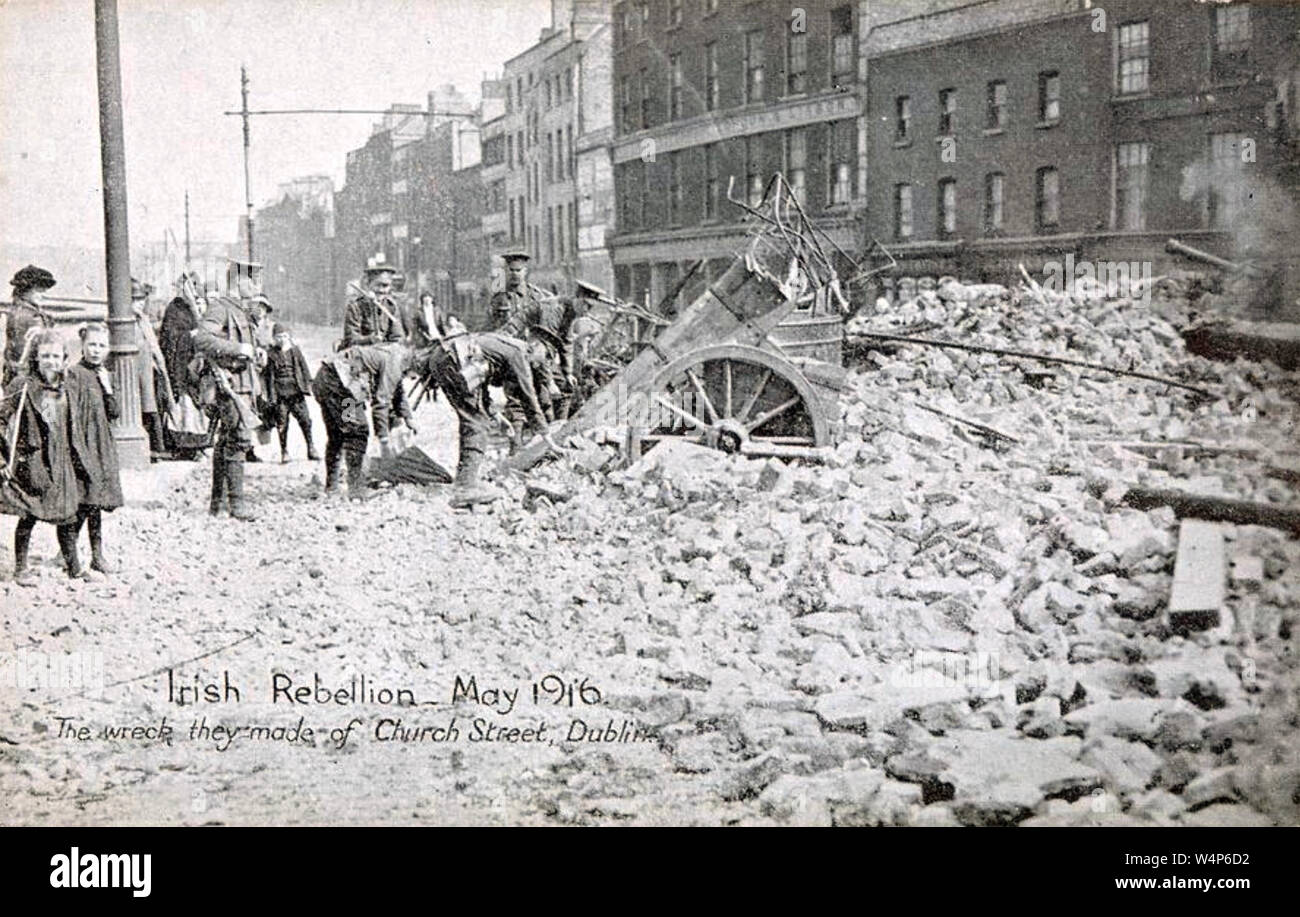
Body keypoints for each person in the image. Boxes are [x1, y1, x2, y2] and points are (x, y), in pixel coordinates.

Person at [414, 320, 556, 508]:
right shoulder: (518, 354)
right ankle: (466, 486)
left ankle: (465, 479)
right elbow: (528, 397)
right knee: (476, 423)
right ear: (536, 345)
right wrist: (548, 437)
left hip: (444, 359)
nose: (542, 364)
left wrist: (497, 416)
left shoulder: (504, 345)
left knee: (473, 418)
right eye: (546, 357)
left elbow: (480, 387)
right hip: (454, 361)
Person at [0, 332, 90, 582]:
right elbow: (0, 420)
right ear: (35, 358)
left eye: (55, 356)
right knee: (29, 514)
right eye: (45, 356)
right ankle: (20, 568)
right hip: (34, 461)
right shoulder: (22, 385)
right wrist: (3, 459)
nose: (50, 361)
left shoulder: (67, 386)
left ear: (64, 359)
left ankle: (74, 568)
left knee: (68, 516)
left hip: (62, 460)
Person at [192, 259, 265, 521]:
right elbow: (202, 338)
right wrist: (240, 349)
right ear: (239, 281)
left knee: (227, 441)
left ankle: (218, 504)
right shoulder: (221, 307)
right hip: (228, 383)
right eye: (253, 281)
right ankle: (237, 505)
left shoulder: (241, 309)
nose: (256, 287)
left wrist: (257, 351)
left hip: (243, 381)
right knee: (240, 440)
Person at [312, 342, 413, 498]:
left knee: (338, 435)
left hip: (325, 378)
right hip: (340, 388)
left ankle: (332, 487)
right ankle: (356, 489)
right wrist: (384, 439)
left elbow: (397, 390)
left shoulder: (395, 354)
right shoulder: (395, 361)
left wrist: (408, 417)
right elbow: (381, 402)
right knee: (357, 431)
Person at [66, 322, 123, 573]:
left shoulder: (103, 375)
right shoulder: (75, 374)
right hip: (83, 444)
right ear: (83, 345)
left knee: (95, 500)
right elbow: (73, 414)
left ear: (108, 349)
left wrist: (108, 387)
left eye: (101, 346)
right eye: (92, 344)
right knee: (85, 500)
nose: (96, 350)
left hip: (101, 445)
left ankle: (96, 555)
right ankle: (70, 551)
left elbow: (114, 413)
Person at [158, 273, 211, 459]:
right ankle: (185, 446)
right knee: (185, 408)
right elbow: (170, 337)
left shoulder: (198, 308)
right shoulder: (175, 309)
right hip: (182, 366)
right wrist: (189, 336)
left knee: (199, 408)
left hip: (198, 366)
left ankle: (200, 443)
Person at [263, 323, 318, 463]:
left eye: (284, 336)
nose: (282, 339)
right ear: (274, 338)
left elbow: (304, 369)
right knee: (282, 423)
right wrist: (270, 396)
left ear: (289, 337)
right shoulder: (272, 354)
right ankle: (284, 451)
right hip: (280, 394)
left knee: (305, 420)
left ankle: (311, 448)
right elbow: (268, 376)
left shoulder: (295, 351)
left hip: (296, 392)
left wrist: (309, 385)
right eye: (278, 336)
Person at [132, 279, 172, 461]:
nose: (139, 303)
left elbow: (153, 345)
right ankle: (152, 449)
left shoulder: (143, 320)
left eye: (141, 299)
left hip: (151, 370)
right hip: (137, 374)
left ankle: (158, 447)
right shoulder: (131, 322)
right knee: (145, 409)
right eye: (135, 300)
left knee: (155, 406)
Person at [3, 265, 56, 385]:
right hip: (27, 379)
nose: (43, 294)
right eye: (39, 290)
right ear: (25, 291)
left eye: (44, 290)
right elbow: (22, 355)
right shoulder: (26, 317)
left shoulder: (27, 312)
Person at [342, 265, 404, 347]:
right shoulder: (355, 307)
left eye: (385, 286)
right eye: (377, 285)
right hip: (362, 354)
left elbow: (398, 337)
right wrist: (370, 339)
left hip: (385, 354)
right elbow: (351, 340)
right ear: (368, 285)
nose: (381, 290)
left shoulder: (391, 307)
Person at [488, 251, 538, 330]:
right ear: (506, 271)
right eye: (511, 270)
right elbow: (491, 325)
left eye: (518, 270)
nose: (514, 274)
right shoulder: (498, 299)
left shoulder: (536, 296)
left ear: (525, 272)